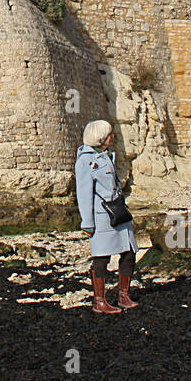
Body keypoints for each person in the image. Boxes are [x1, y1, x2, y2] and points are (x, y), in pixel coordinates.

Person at [75, 120, 138, 313]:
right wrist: (87, 222)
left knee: (129, 253)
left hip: (118, 212)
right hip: (102, 216)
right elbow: (84, 193)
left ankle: (123, 296)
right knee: (101, 258)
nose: (112, 137)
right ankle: (99, 301)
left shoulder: (106, 156)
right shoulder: (85, 160)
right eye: (109, 134)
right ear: (101, 137)